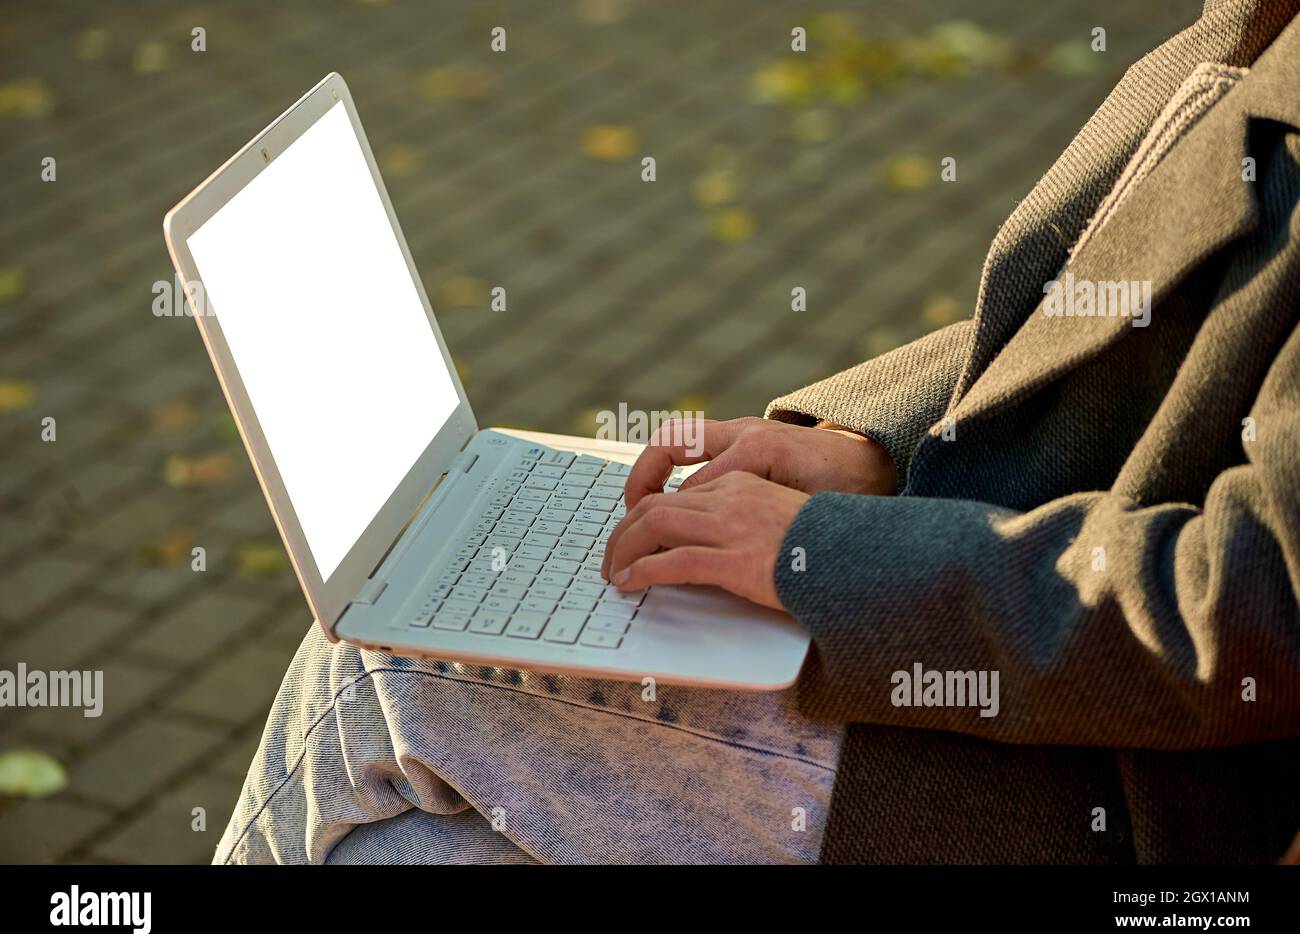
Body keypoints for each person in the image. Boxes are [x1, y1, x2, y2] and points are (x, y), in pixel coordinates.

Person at [216, 0, 1300, 864]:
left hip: (1095, 779)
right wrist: (872, 447)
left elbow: (1254, 600)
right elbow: (1088, 335)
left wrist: (820, 556)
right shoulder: (1247, 22)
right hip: (986, 619)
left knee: (375, 666)